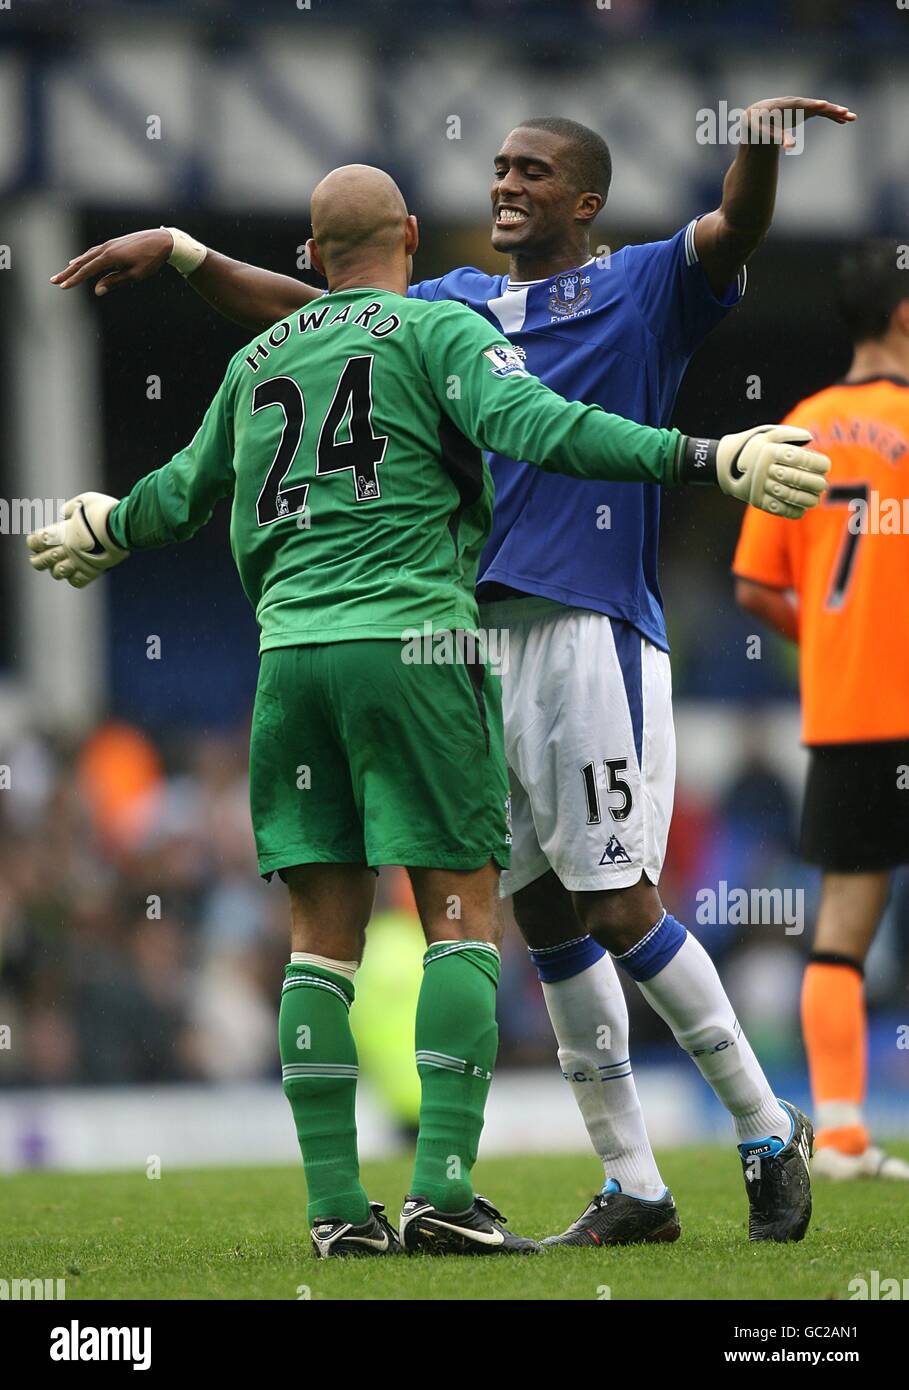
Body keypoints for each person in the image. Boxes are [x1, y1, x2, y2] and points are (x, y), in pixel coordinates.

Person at [51, 98, 853, 1243]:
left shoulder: (642, 285)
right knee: (539, 917)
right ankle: (633, 1184)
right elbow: (321, 310)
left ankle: (768, 1125)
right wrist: (188, 256)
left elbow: (735, 228)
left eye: (532, 171)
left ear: (586, 201)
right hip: (463, 640)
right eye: (498, 168)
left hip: (590, 626)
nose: (506, 184)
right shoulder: (447, 307)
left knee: (618, 901)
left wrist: (759, 149)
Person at [734, 240, 909, 1183]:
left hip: (846, 716)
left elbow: (754, 586)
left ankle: (838, 1133)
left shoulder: (799, 427)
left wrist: (834, 638)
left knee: (840, 925)